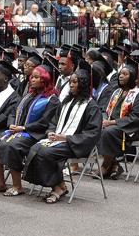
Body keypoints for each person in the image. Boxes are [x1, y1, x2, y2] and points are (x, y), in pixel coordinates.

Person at [23, 63, 102, 203]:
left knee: (45, 153)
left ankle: (57, 188)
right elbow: (53, 121)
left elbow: (93, 133)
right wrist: (51, 132)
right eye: (70, 82)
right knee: (35, 148)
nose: (71, 85)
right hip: (60, 140)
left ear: (83, 84)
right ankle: (60, 185)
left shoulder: (92, 106)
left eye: (75, 82)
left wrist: (66, 138)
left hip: (77, 144)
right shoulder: (66, 102)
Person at [0, 62, 59, 196]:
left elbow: (45, 122)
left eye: (36, 77)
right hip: (17, 130)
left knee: (11, 145)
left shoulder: (52, 100)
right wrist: (11, 124)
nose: (32, 79)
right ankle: (1, 184)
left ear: (44, 79)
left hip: (35, 134)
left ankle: (17, 186)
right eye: (32, 77)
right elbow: (12, 112)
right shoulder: (27, 95)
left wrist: (24, 128)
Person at [97, 60, 139, 179]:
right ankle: (114, 165)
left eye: (125, 74)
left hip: (132, 128)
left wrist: (113, 122)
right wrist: (105, 120)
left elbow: (136, 117)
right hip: (114, 125)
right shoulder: (117, 92)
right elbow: (107, 111)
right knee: (98, 128)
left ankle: (106, 165)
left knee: (107, 132)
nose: (121, 76)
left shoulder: (138, 95)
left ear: (133, 77)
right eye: (120, 74)